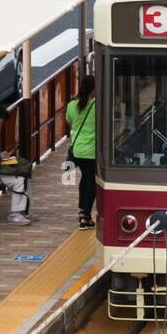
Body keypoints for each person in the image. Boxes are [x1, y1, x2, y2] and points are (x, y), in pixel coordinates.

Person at [66, 75, 97, 229]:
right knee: (91, 182)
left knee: (84, 179)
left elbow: (70, 121)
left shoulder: (71, 105)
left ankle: (82, 212)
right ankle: (85, 216)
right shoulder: (97, 106)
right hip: (92, 151)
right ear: (93, 89)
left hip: (77, 149)